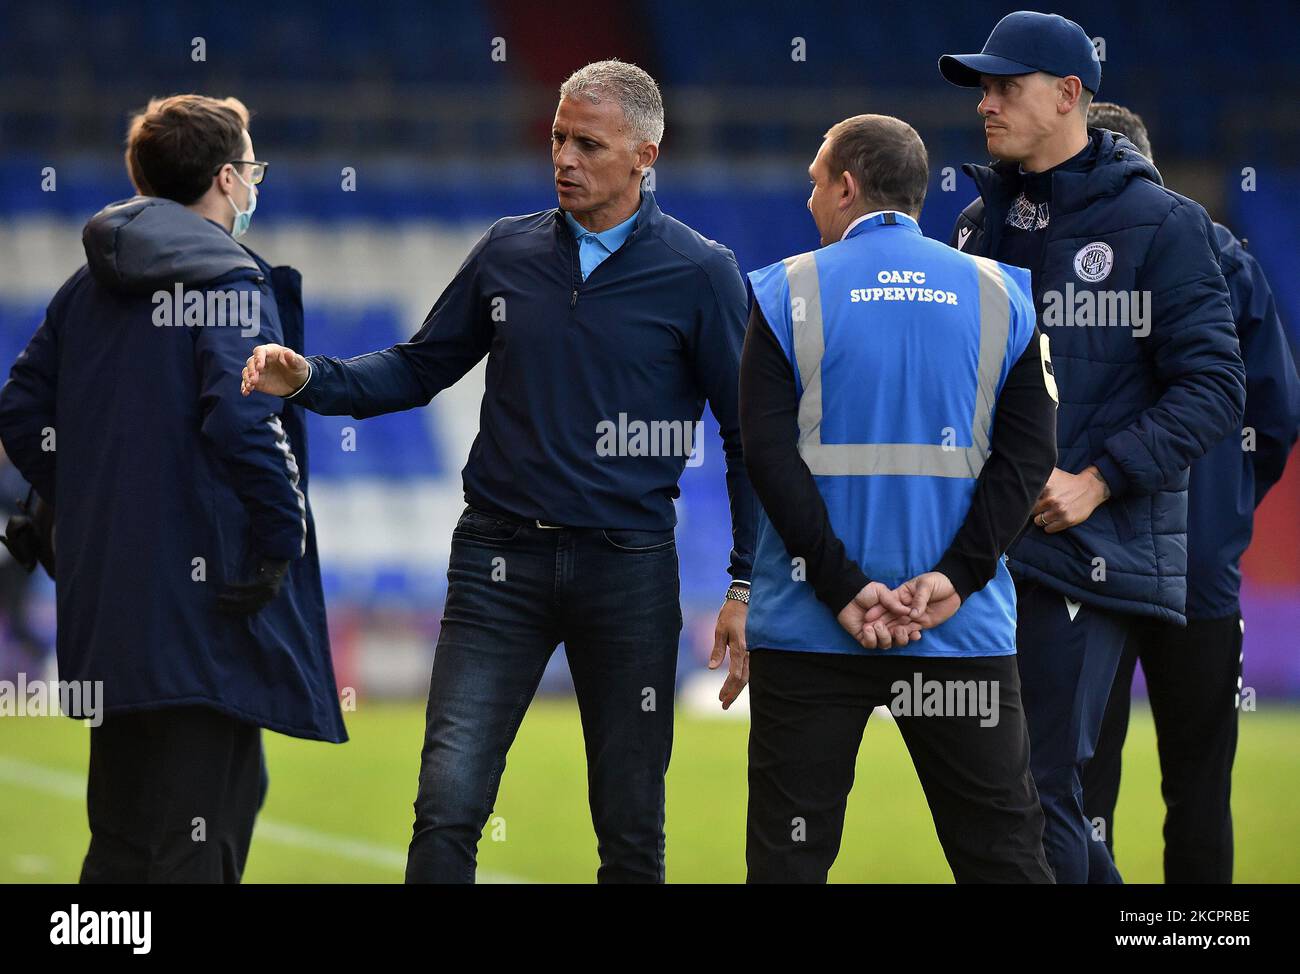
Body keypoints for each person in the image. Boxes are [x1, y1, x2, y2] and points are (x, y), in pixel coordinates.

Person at [241, 60, 756, 884]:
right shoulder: (507, 252)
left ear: (644, 156)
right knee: (446, 807)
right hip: (496, 561)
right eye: (558, 137)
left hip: (629, 570)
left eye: (588, 143)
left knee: (630, 827)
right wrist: (312, 379)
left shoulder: (701, 272)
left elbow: (747, 435)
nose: (564, 157)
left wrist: (743, 586)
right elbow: (418, 368)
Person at [0, 94, 345, 883]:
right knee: (202, 832)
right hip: (206, 612)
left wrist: (85, 503)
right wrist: (279, 540)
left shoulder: (84, 288)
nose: (253, 185)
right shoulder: (225, 277)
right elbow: (243, 416)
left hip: (111, 608)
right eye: (250, 168)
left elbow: (20, 412)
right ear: (226, 179)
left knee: (121, 838)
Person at [940, 11, 1246, 882]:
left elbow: (1217, 387)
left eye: (1006, 86)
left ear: (1069, 94)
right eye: (981, 89)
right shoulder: (975, 223)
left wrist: (1100, 479)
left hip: (1085, 552)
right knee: (1012, 796)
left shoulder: (1163, 224)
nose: (986, 105)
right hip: (985, 554)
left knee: (1037, 789)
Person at [741, 113, 1059, 883]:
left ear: (848, 186)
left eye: (817, 178)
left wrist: (841, 586)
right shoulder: (1002, 293)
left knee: (789, 862)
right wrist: (958, 577)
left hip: (811, 626)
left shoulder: (787, 289)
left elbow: (767, 456)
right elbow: (1029, 457)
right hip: (959, 625)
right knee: (1005, 859)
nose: (810, 195)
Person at [1081, 101, 1300, 883]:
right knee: (1201, 791)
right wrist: (1229, 500)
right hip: (1200, 573)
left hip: (1090, 564)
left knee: (1078, 793)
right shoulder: (1227, 259)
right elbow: (1276, 409)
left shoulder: (1068, 253)